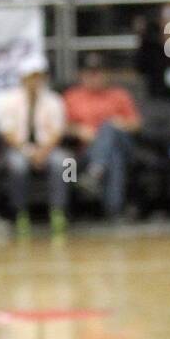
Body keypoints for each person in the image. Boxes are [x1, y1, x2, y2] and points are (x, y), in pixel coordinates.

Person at [63, 54, 141, 218]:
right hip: (85, 151)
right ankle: (113, 211)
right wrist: (78, 130)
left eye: (99, 72)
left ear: (107, 74)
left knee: (109, 128)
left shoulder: (119, 95)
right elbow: (62, 127)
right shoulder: (72, 96)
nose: (95, 77)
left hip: (124, 145)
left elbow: (136, 125)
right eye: (90, 72)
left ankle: (94, 173)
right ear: (82, 75)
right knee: (113, 156)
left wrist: (120, 125)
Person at [0, 59, 69, 236]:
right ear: (23, 79)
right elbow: (7, 133)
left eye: (39, 77)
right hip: (19, 149)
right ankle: (20, 212)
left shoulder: (54, 100)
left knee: (67, 163)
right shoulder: (10, 100)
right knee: (17, 166)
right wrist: (28, 152)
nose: (35, 82)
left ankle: (60, 210)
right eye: (31, 77)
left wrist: (43, 152)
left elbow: (58, 132)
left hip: (48, 149)